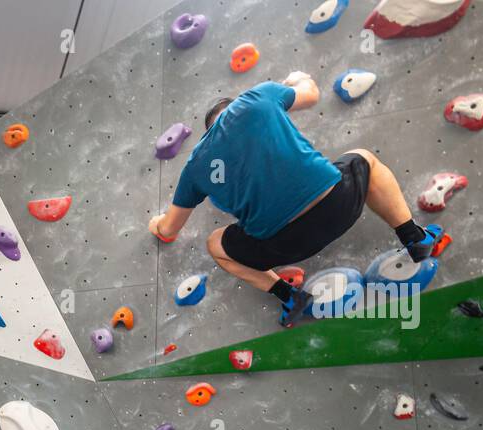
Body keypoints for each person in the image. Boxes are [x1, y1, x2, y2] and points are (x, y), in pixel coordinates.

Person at [148, 73, 440, 325]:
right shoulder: (258, 97)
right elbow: (311, 93)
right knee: (364, 159)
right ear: (235, 104)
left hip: (280, 246)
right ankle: (413, 237)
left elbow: (169, 230)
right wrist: (295, 78)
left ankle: (290, 297)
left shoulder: (196, 165)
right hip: (338, 206)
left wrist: (156, 224)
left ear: (207, 133)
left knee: (216, 244)